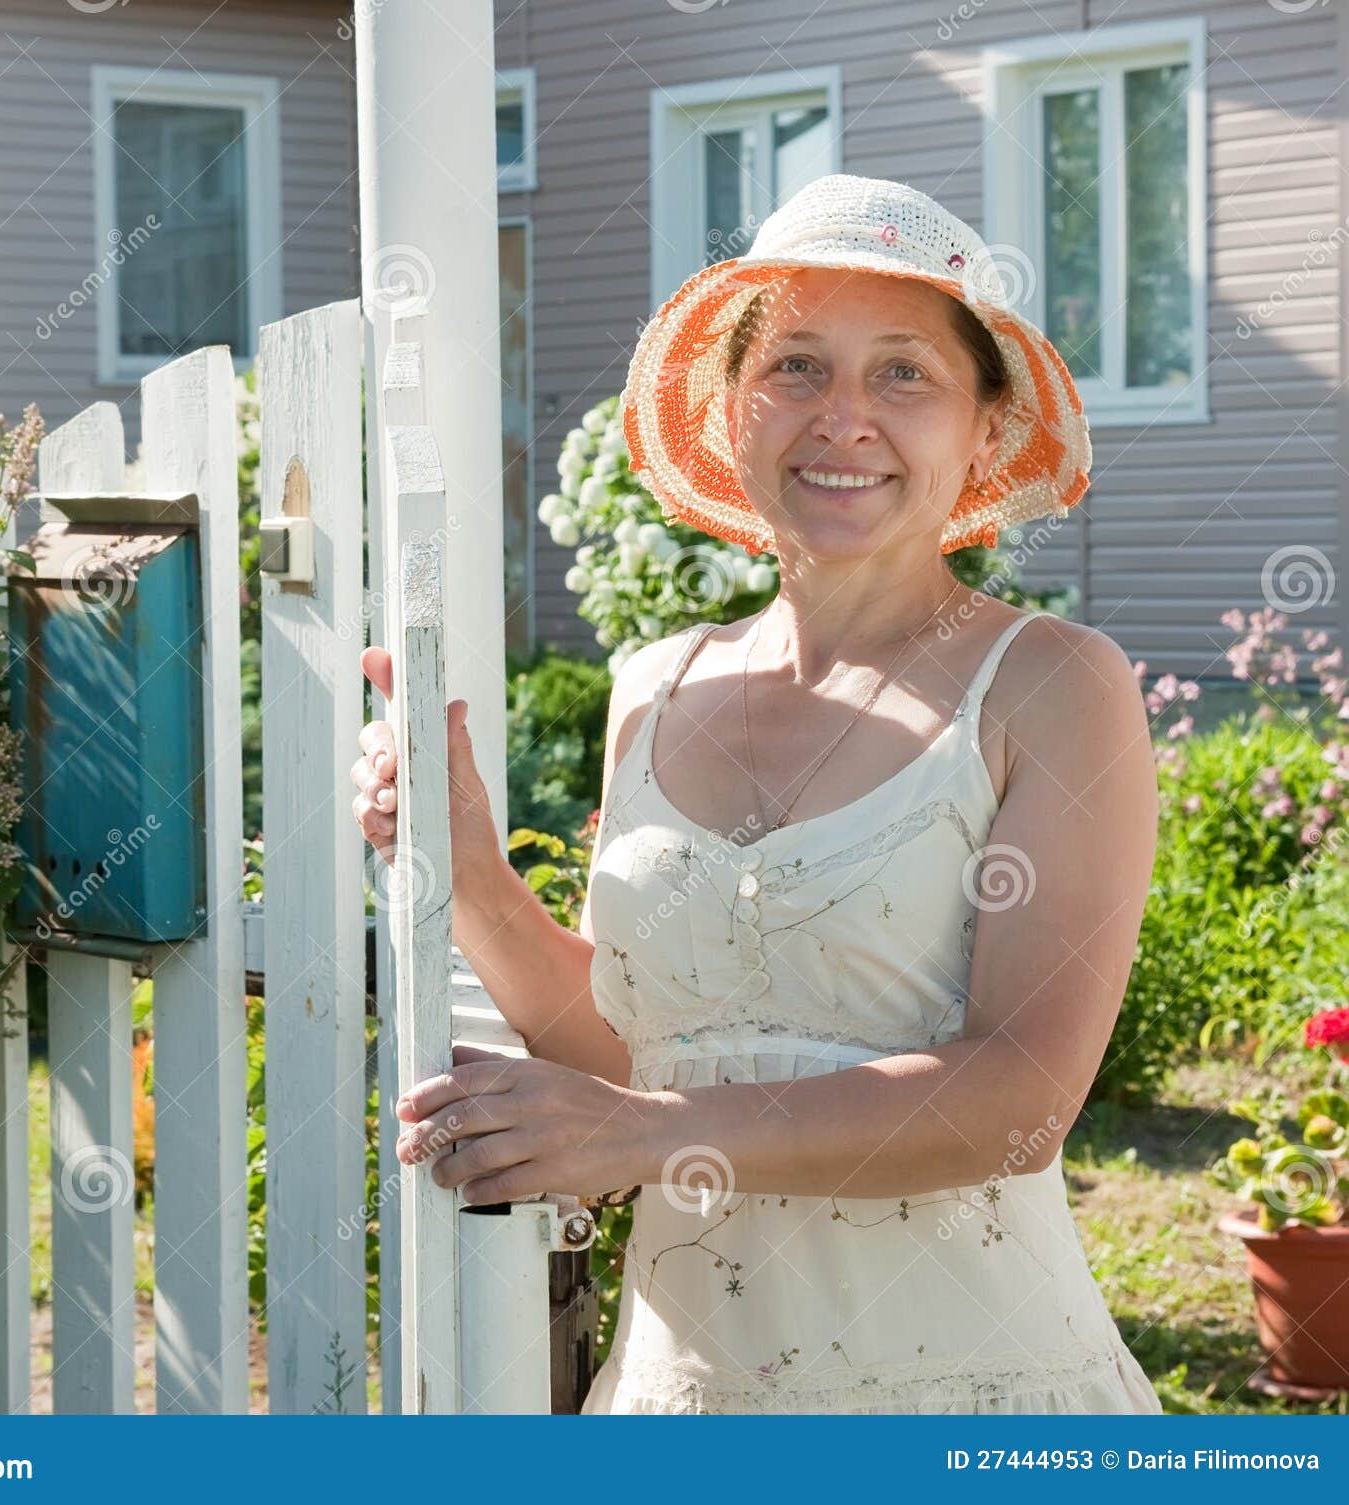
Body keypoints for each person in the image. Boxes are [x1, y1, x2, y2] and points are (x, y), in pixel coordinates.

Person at [350, 173, 1162, 1414]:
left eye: (903, 373)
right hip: (685, 1398)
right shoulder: (653, 685)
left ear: (984, 429)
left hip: (966, 1394)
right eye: (795, 366)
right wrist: (469, 873)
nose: (843, 417)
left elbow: (1018, 1101)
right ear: (733, 410)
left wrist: (644, 1131)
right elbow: (649, 1048)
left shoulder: (1048, 686)